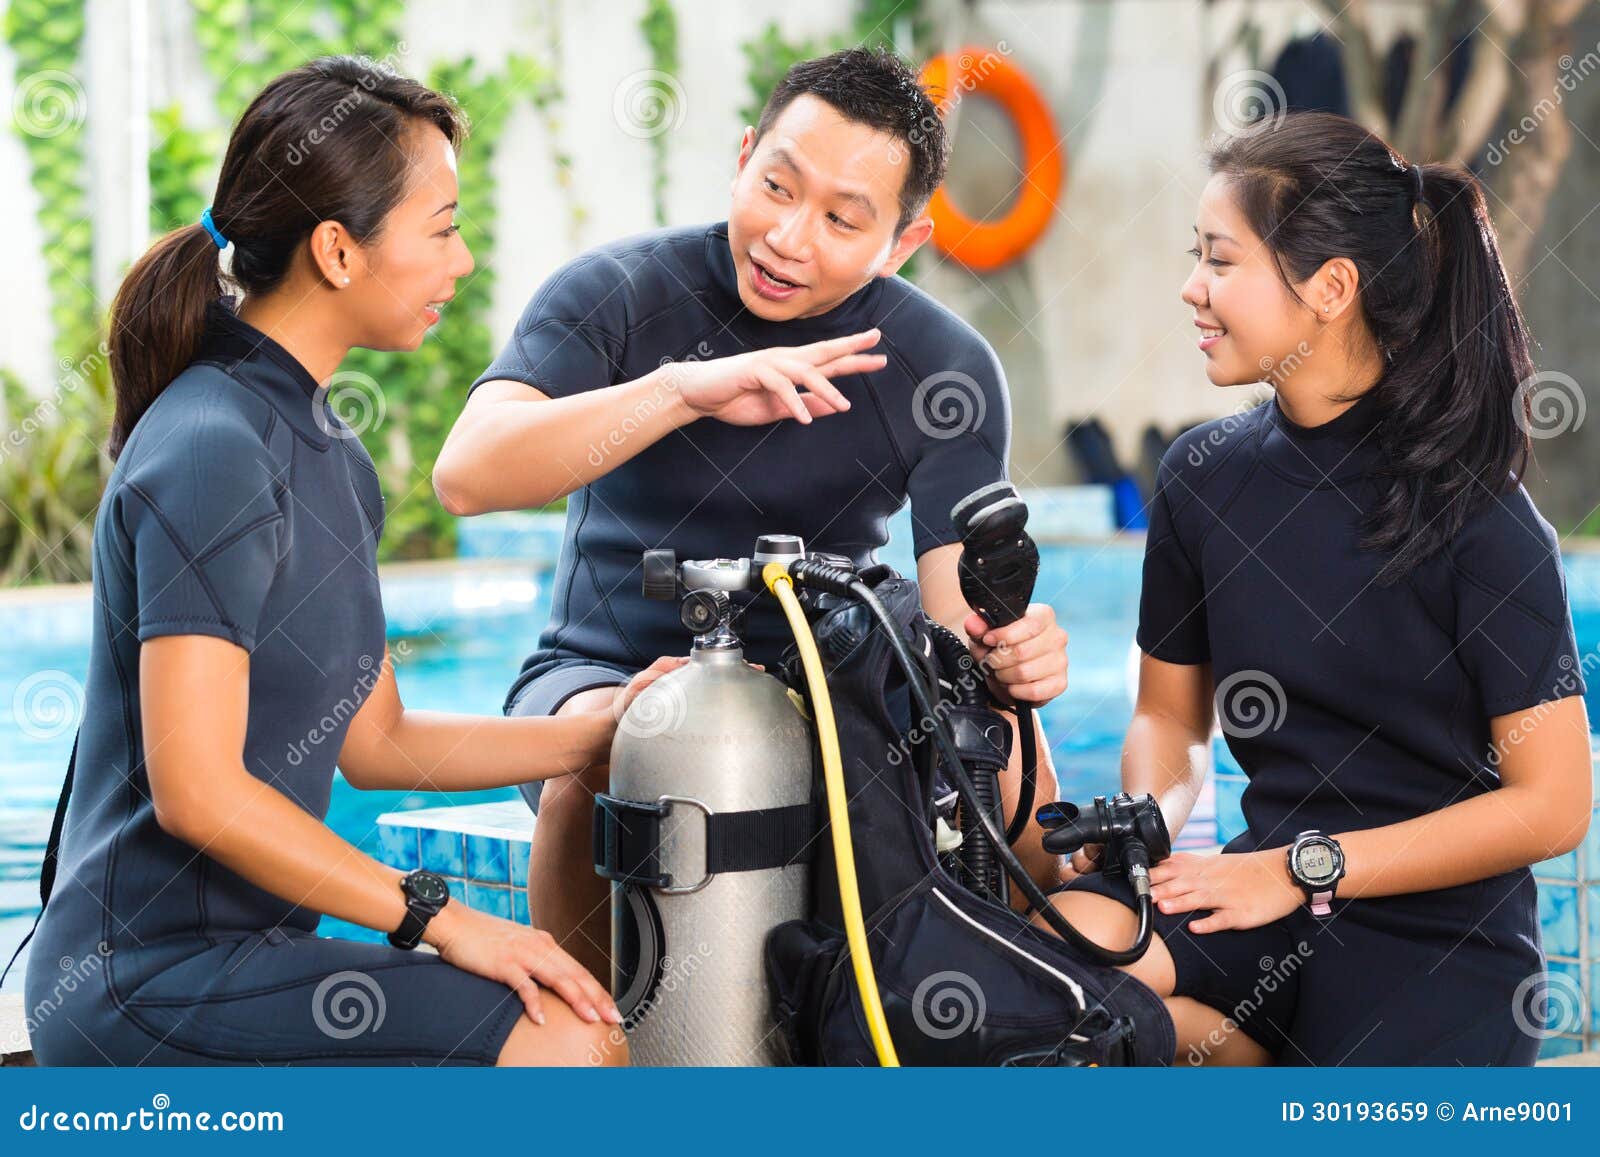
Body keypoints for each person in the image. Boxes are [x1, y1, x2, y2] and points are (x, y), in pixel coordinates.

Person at [19, 56, 681, 1068]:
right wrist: (442, 915)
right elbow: (195, 789)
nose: (461, 264)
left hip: (247, 951)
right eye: (444, 227)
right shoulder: (212, 446)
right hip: (139, 980)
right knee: (566, 1036)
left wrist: (592, 735)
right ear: (337, 250)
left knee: (571, 1017)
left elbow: (380, 743)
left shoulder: (333, 454)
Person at [434, 47, 1072, 982]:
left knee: (1017, 776)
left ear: (901, 242)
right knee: (629, 744)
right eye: (776, 186)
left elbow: (953, 628)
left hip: (832, 689)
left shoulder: (943, 366)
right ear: (742, 158)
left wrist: (1014, 663)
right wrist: (684, 390)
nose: (788, 237)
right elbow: (469, 475)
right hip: (599, 670)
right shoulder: (617, 293)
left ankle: (1002, 1044)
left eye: (842, 220)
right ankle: (590, 1064)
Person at [1046, 111, 1592, 1066]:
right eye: (1195, 255)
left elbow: (1554, 804)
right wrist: (1148, 828)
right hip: (1255, 897)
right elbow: (1170, 721)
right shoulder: (1204, 477)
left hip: (1431, 946)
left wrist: (1307, 870)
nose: (1191, 288)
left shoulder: (1479, 516)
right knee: (1055, 978)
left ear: (1331, 288)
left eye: (1221, 261)